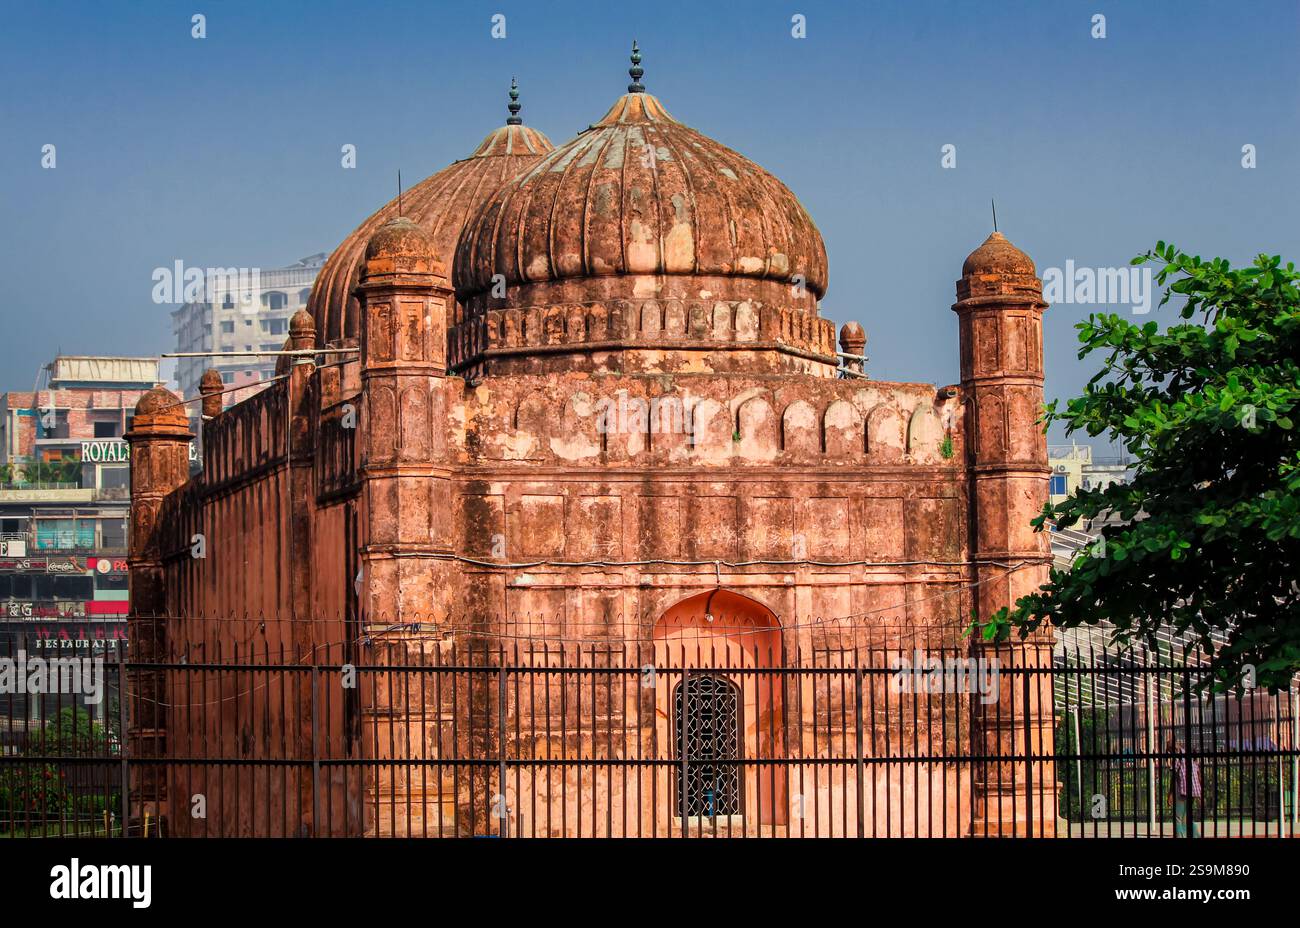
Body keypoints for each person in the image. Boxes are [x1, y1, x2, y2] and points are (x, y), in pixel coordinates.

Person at [1166, 735, 1201, 838]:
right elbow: (1198, 772)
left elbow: (1175, 775)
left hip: (1182, 790)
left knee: (1178, 817)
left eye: (1168, 751)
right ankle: (1195, 835)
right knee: (1187, 817)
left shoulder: (1177, 757)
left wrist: (1171, 793)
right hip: (1193, 789)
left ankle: (1180, 836)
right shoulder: (1187, 754)